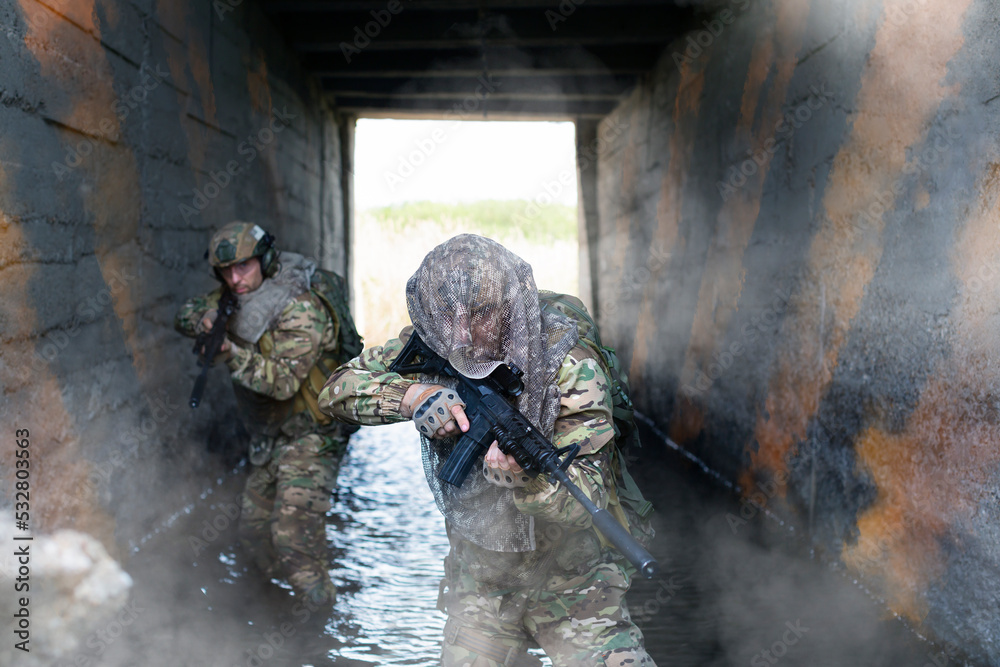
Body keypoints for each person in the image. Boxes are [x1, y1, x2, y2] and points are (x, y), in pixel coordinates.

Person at [318, 234, 656, 666]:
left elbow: (588, 495)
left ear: (509, 306)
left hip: (575, 580)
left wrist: (527, 479)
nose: (461, 333)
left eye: (480, 313)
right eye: (447, 315)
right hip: (481, 582)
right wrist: (411, 396)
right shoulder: (432, 342)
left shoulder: (569, 363)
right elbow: (335, 390)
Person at [175, 221, 359, 605]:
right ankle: (284, 612)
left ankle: (319, 623)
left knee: (293, 539)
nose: (235, 278)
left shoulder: (300, 307)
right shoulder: (236, 295)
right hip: (272, 435)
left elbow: (283, 383)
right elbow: (185, 313)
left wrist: (230, 354)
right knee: (254, 533)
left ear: (265, 259)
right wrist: (206, 322)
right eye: (225, 271)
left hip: (314, 435)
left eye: (243, 266)